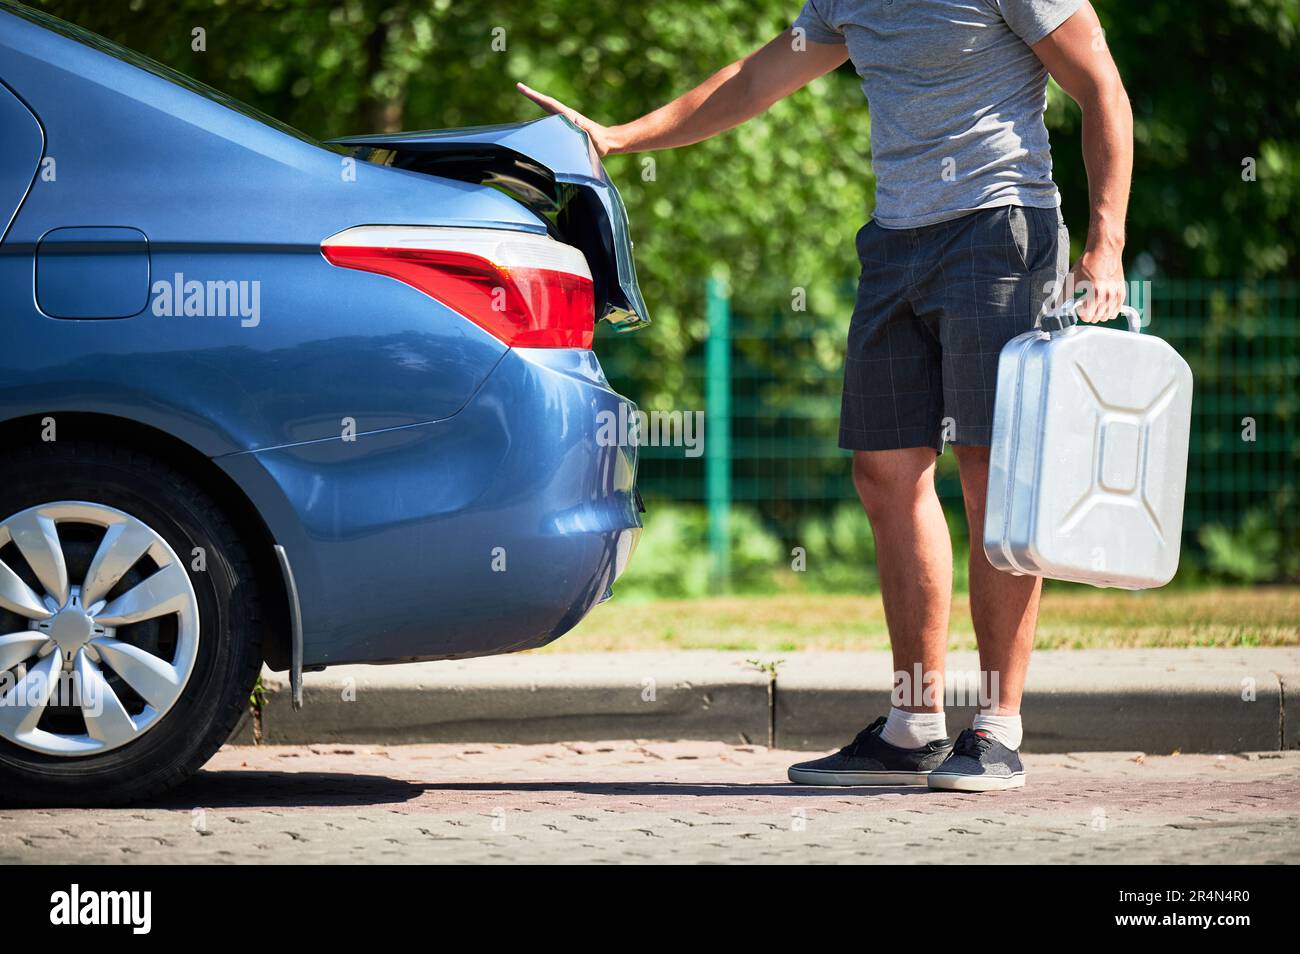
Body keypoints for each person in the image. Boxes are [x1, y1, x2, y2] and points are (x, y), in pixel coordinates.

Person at [520, 0, 1132, 791]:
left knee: (992, 477)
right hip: (894, 242)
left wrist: (1106, 242)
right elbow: (753, 79)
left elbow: (1101, 87)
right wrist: (619, 136)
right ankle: (913, 726)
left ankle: (998, 727)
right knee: (884, 470)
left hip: (1001, 231)